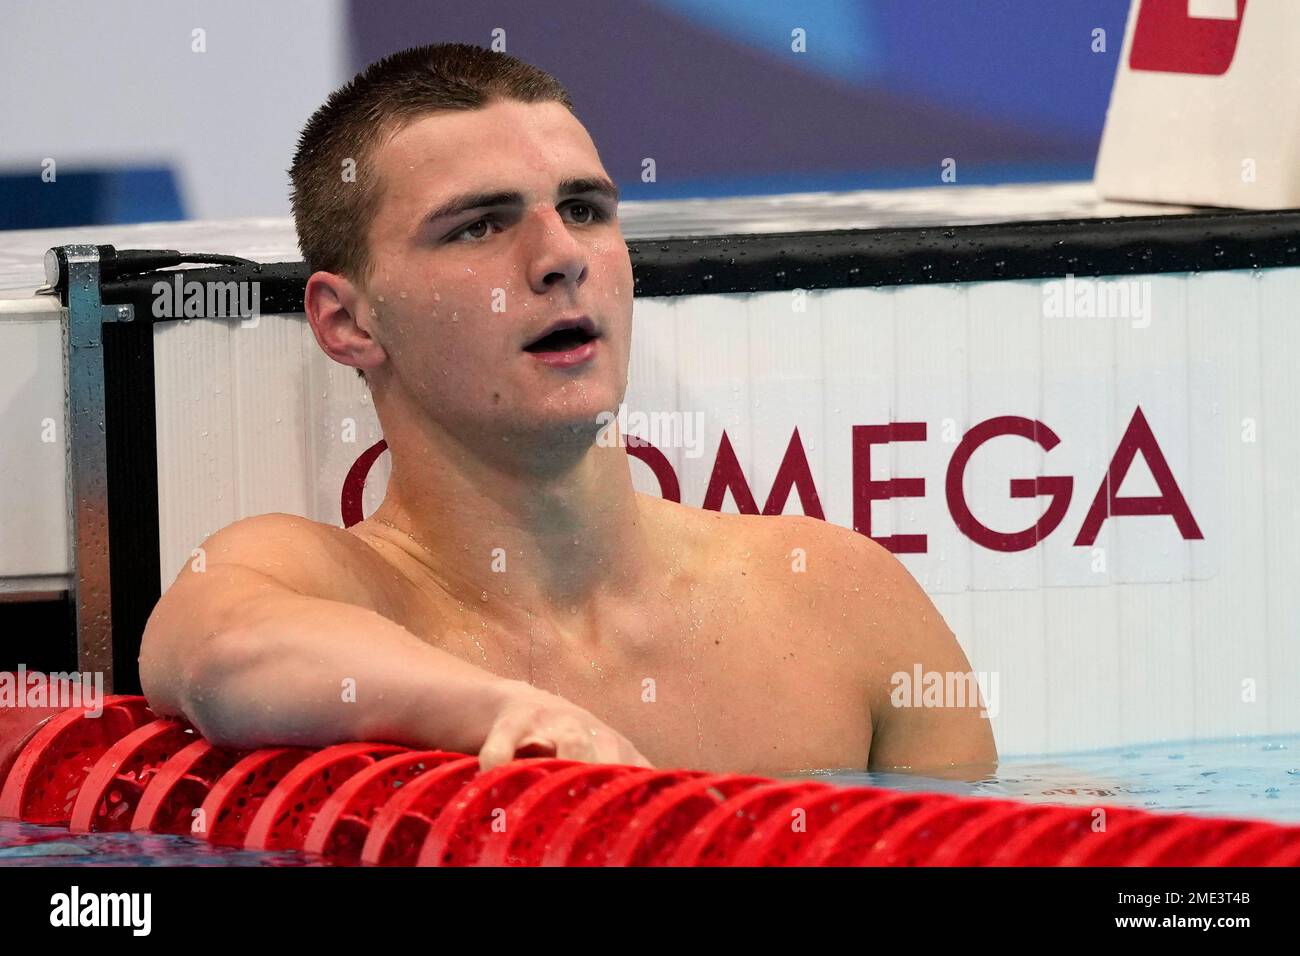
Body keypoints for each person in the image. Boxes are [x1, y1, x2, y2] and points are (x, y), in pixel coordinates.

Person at [140, 43, 997, 779]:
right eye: (477, 227)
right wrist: (503, 714)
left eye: (585, 210)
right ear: (348, 320)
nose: (560, 258)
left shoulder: (841, 602)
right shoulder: (320, 580)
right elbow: (221, 655)